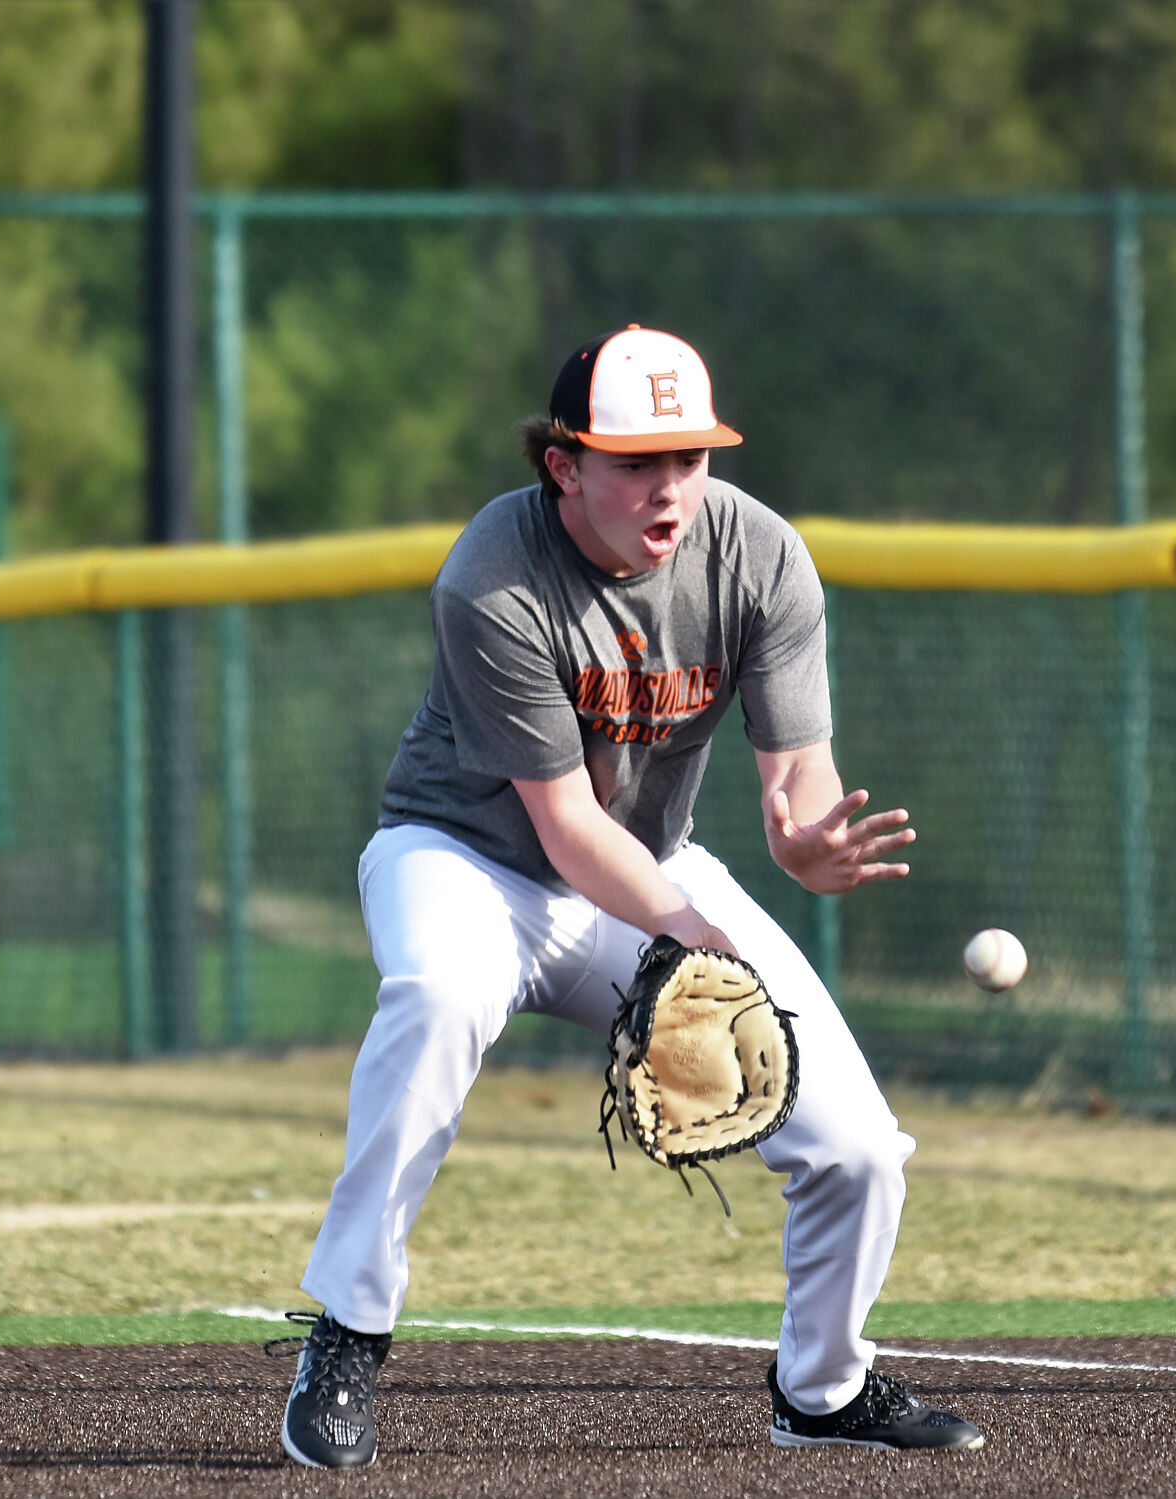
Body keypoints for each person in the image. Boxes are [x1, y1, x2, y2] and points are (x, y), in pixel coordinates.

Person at [279, 326, 985, 1467]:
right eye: (635, 461)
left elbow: (795, 775)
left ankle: (822, 1385)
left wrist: (802, 843)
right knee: (435, 996)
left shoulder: (758, 555)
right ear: (562, 464)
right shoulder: (491, 575)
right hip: (464, 858)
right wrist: (693, 932)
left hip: (649, 867)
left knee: (858, 1145)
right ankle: (351, 1326)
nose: (670, 487)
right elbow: (560, 824)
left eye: (691, 458)